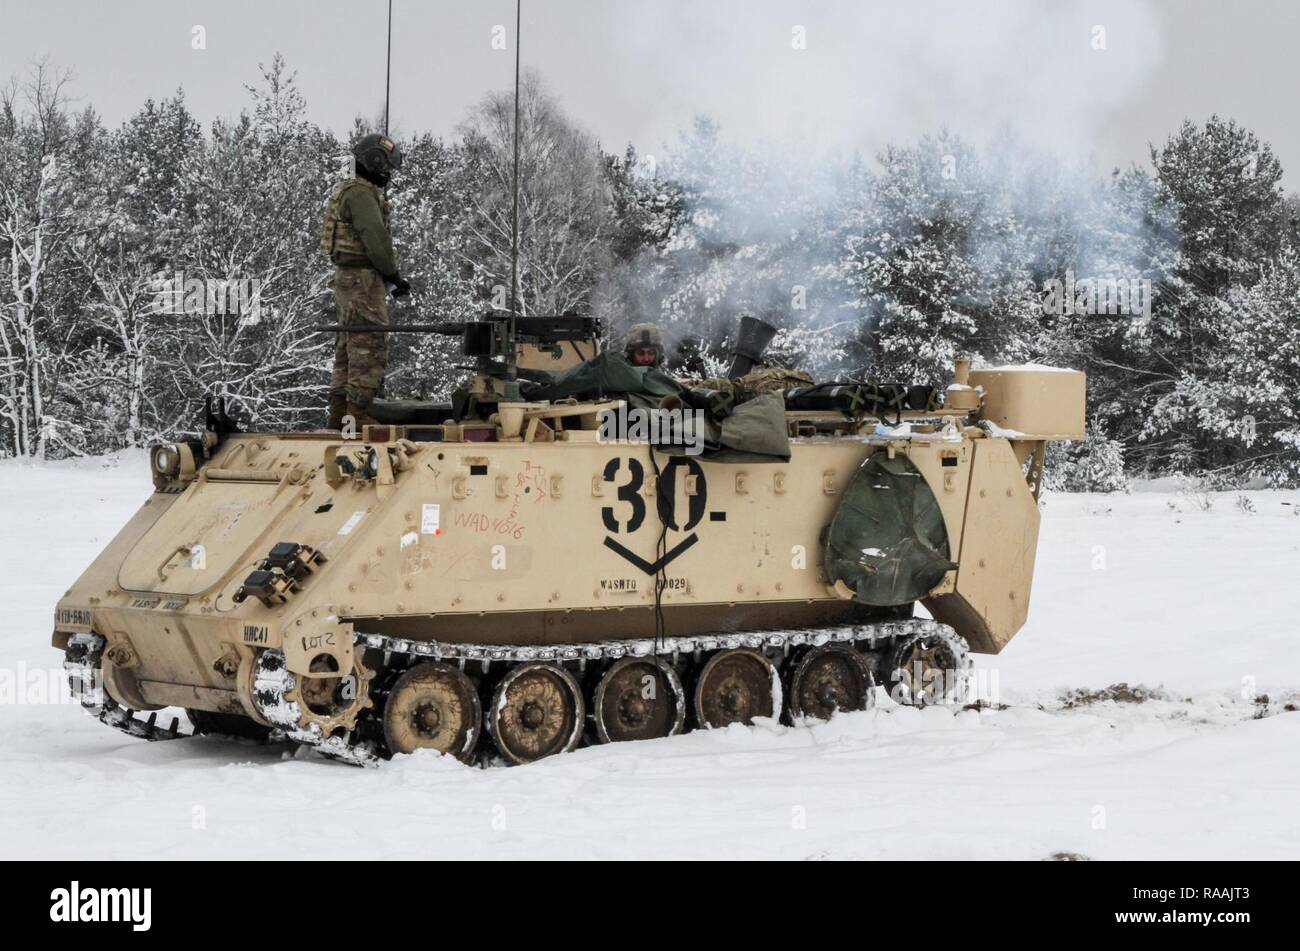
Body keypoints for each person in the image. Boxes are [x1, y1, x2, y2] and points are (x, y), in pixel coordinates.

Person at [320, 133, 411, 429]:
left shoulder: (350, 189)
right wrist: (392, 274)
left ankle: (340, 415)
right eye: (385, 166)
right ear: (374, 161)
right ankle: (356, 415)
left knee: (348, 346)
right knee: (369, 344)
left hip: (349, 279)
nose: (387, 174)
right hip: (361, 279)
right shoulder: (360, 193)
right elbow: (376, 238)